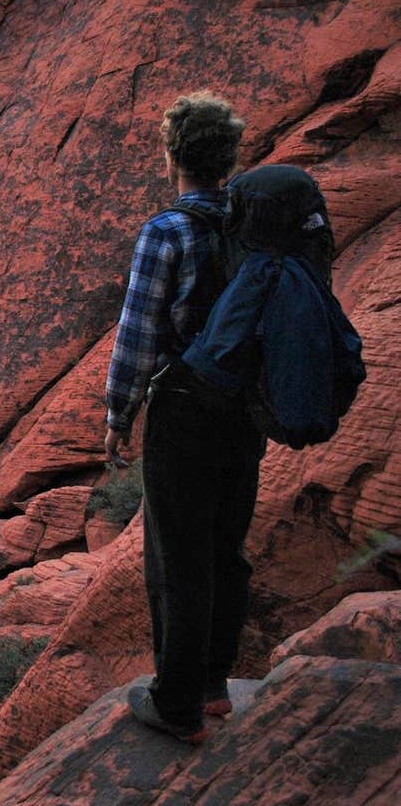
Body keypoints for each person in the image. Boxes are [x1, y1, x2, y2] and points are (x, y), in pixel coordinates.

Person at [104, 91, 264, 744]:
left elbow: (138, 334)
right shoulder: (254, 227)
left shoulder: (167, 232)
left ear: (174, 156)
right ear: (228, 157)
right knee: (226, 548)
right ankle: (213, 688)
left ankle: (177, 705)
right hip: (244, 412)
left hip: (183, 411)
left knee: (177, 556)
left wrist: (119, 414)